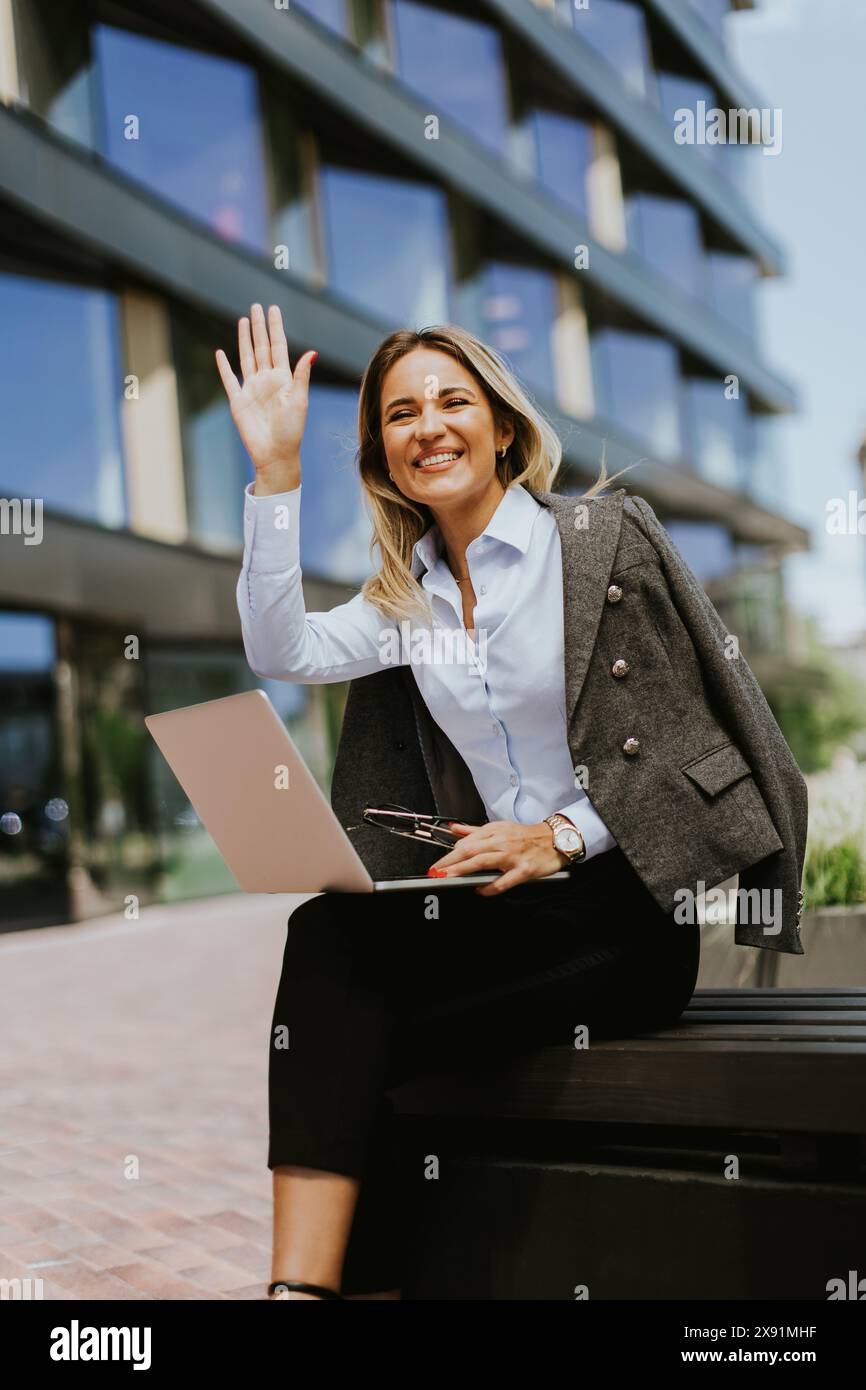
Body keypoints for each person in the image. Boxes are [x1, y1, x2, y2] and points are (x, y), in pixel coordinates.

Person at [216, 305, 807, 1301]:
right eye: (401, 413)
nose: (428, 426)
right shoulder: (408, 599)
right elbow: (283, 652)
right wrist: (276, 476)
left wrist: (561, 835)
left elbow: (687, 735)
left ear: (501, 426)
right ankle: (312, 1293)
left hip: (625, 913)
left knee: (343, 987)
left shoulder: (598, 541)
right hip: (500, 915)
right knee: (336, 963)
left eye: (453, 401)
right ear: (382, 454)